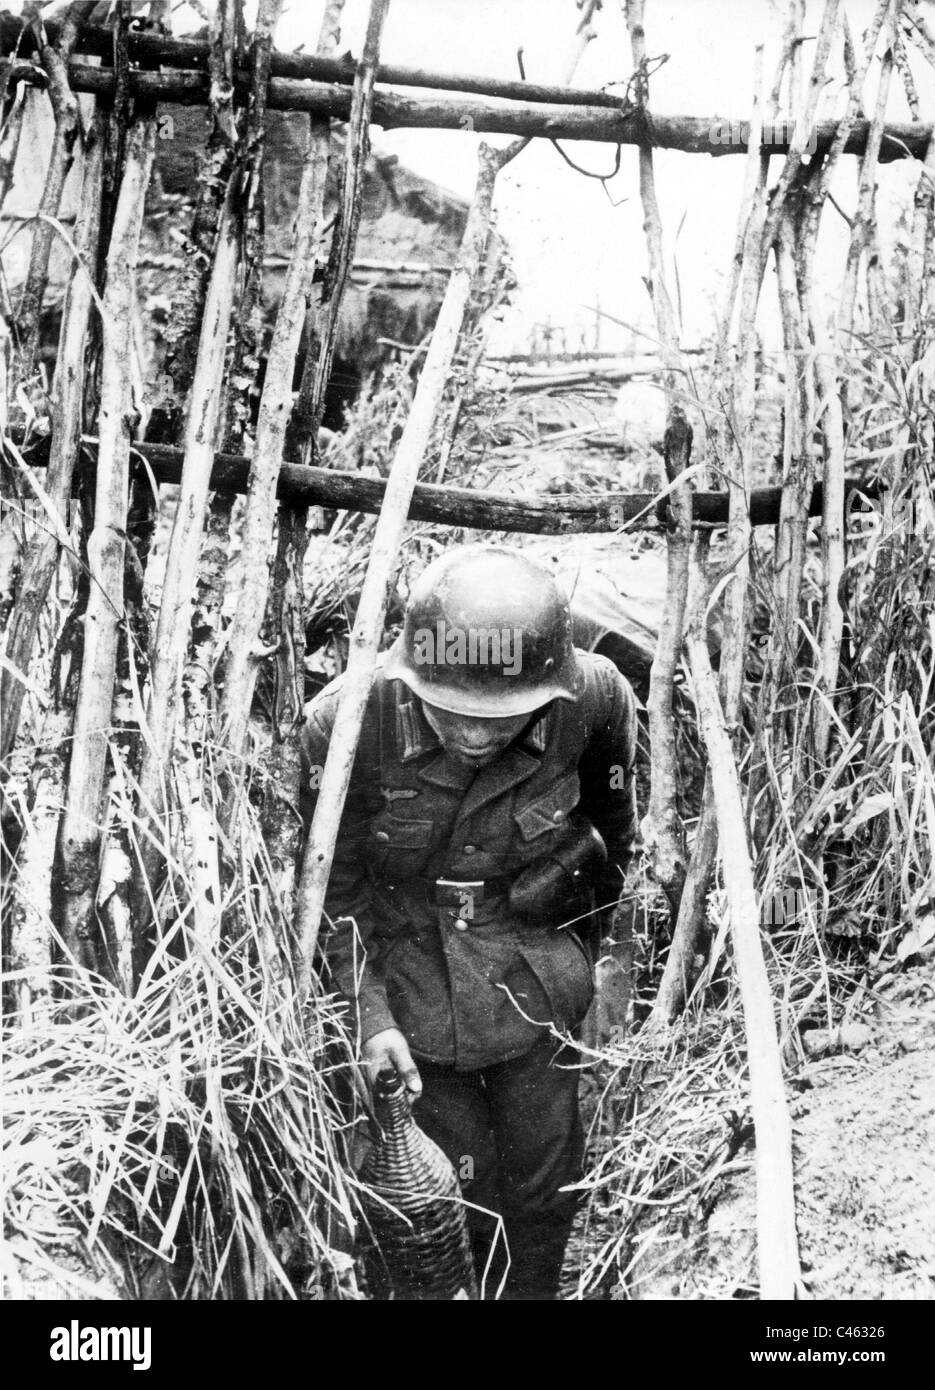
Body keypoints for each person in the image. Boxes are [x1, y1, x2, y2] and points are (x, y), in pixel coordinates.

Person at [301, 544, 638, 1299]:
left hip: (535, 981)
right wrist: (369, 1018)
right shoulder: (348, 723)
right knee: (451, 1192)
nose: (478, 735)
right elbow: (331, 895)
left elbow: (616, 838)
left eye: (502, 717)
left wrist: (606, 963)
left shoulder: (591, 699)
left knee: (546, 1185)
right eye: (454, 713)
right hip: (411, 987)